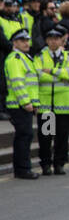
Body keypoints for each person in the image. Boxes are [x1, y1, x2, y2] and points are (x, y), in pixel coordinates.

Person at [33, 24, 69, 175]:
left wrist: (51, 71)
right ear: (47, 41)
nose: (53, 42)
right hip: (47, 104)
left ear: (62, 41)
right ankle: (46, 164)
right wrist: (60, 74)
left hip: (64, 105)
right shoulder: (40, 56)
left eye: (56, 39)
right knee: (46, 136)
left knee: (62, 137)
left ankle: (59, 163)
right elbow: (39, 74)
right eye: (51, 39)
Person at [4, 28, 40, 178]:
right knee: (24, 135)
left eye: (27, 40)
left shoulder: (25, 57)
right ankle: (22, 169)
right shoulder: (15, 59)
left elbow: (32, 84)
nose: (26, 43)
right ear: (15, 43)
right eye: (22, 41)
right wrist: (26, 102)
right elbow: (18, 83)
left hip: (25, 104)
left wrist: (35, 103)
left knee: (25, 135)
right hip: (18, 104)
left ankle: (22, 168)